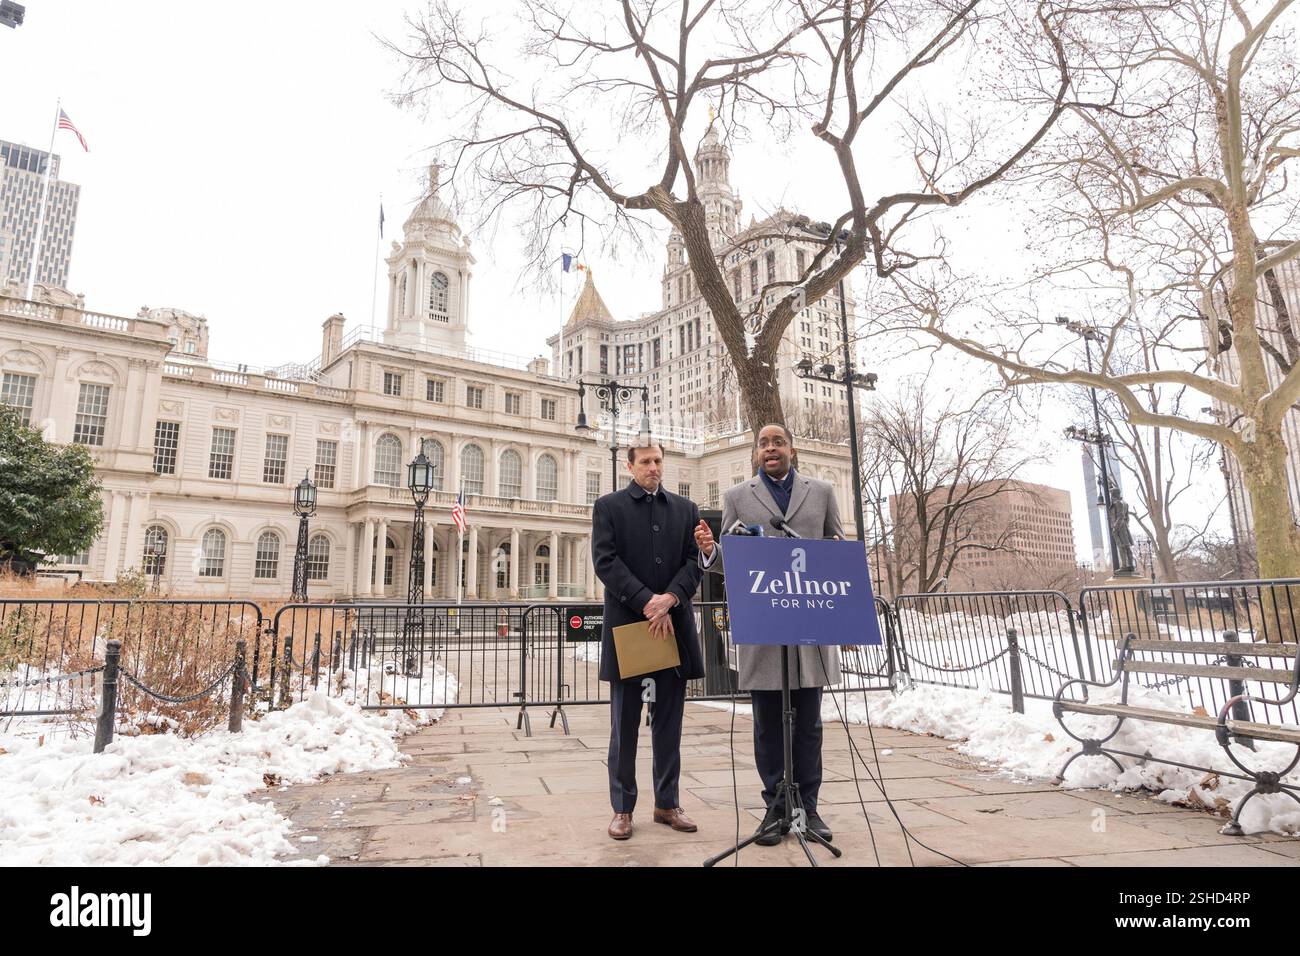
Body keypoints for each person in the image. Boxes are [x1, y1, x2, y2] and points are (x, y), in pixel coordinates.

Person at [694, 423, 841, 846]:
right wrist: (709, 551)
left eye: (778, 442)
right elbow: (729, 559)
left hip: (810, 631)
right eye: (763, 444)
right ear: (756, 453)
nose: (770, 448)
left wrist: (833, 552)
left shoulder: (823, 492)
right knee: (768, 727)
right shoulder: (738, 497)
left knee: (808, 725)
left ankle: (808, 810)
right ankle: (776, 811)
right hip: (762, 630)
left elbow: (836, 543)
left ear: (791, 450)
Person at [592, 442, 705, 841]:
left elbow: (695, 561)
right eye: (645, 462)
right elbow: (606, 562)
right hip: (630, 632)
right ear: (630, 466)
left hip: (673, 630)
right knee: (624, 727)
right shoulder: (609, 507)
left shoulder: (686, 509)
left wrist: (670, 598)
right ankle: (622, 809)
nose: (653, 467)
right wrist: (647, 602)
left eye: (658, 461)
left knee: (669, 725)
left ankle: (666, 803)